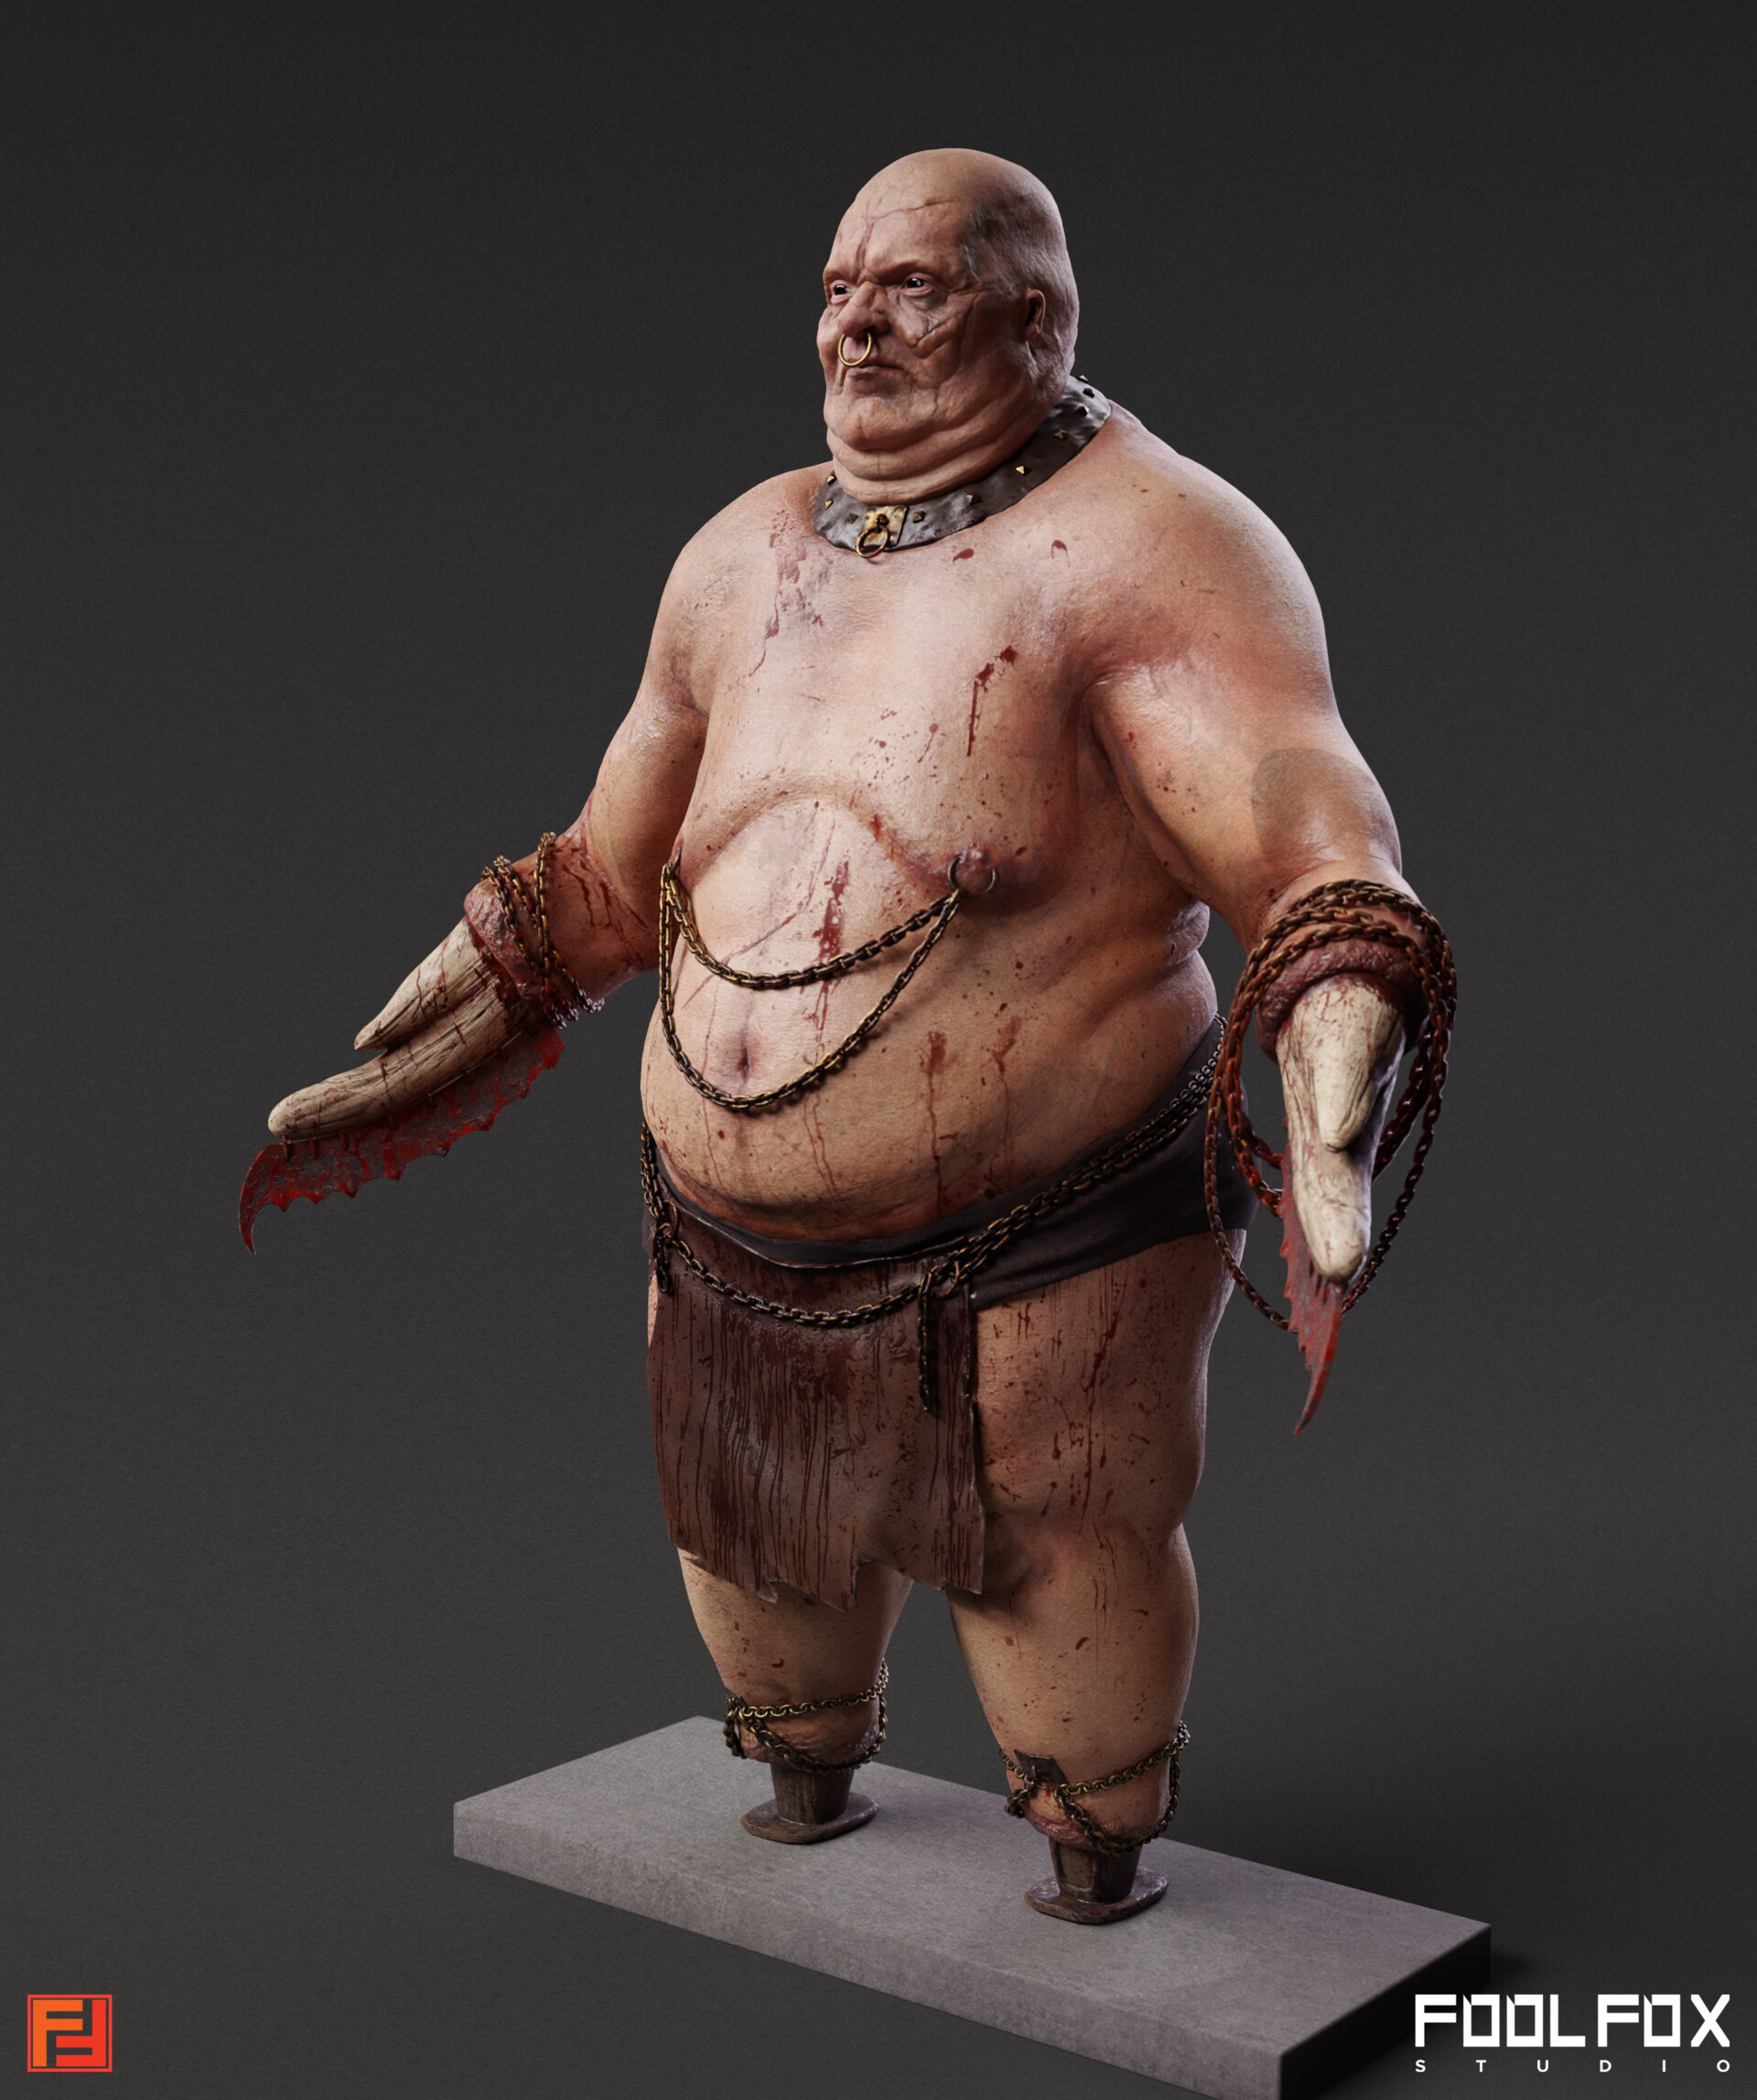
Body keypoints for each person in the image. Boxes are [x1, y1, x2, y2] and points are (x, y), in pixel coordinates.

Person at [264, 148, 1433, 1923]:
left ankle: (1093, 1861)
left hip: (1045, 1242)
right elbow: (614, 872)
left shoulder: (1157, 551)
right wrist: (506, 960)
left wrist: (1339, 981)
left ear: (1037, 319)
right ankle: (805, 1775)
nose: (859, 325)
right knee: (755, 1572)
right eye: (838, 290)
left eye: (912, 290)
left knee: (1058, 1558)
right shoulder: (739, 557)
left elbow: (1301, 836)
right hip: (721, 1248)